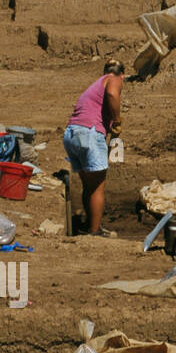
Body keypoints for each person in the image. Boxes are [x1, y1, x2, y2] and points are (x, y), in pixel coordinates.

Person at [62, 59, 124, 237]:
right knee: (97, 187)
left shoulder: (95, 86)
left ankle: (90, 226)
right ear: (123, 75)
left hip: (72, 135)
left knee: (88, 186)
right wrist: (118, 120)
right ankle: (94, 233)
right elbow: (113, 94)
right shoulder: (114, 79)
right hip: (88, 134)